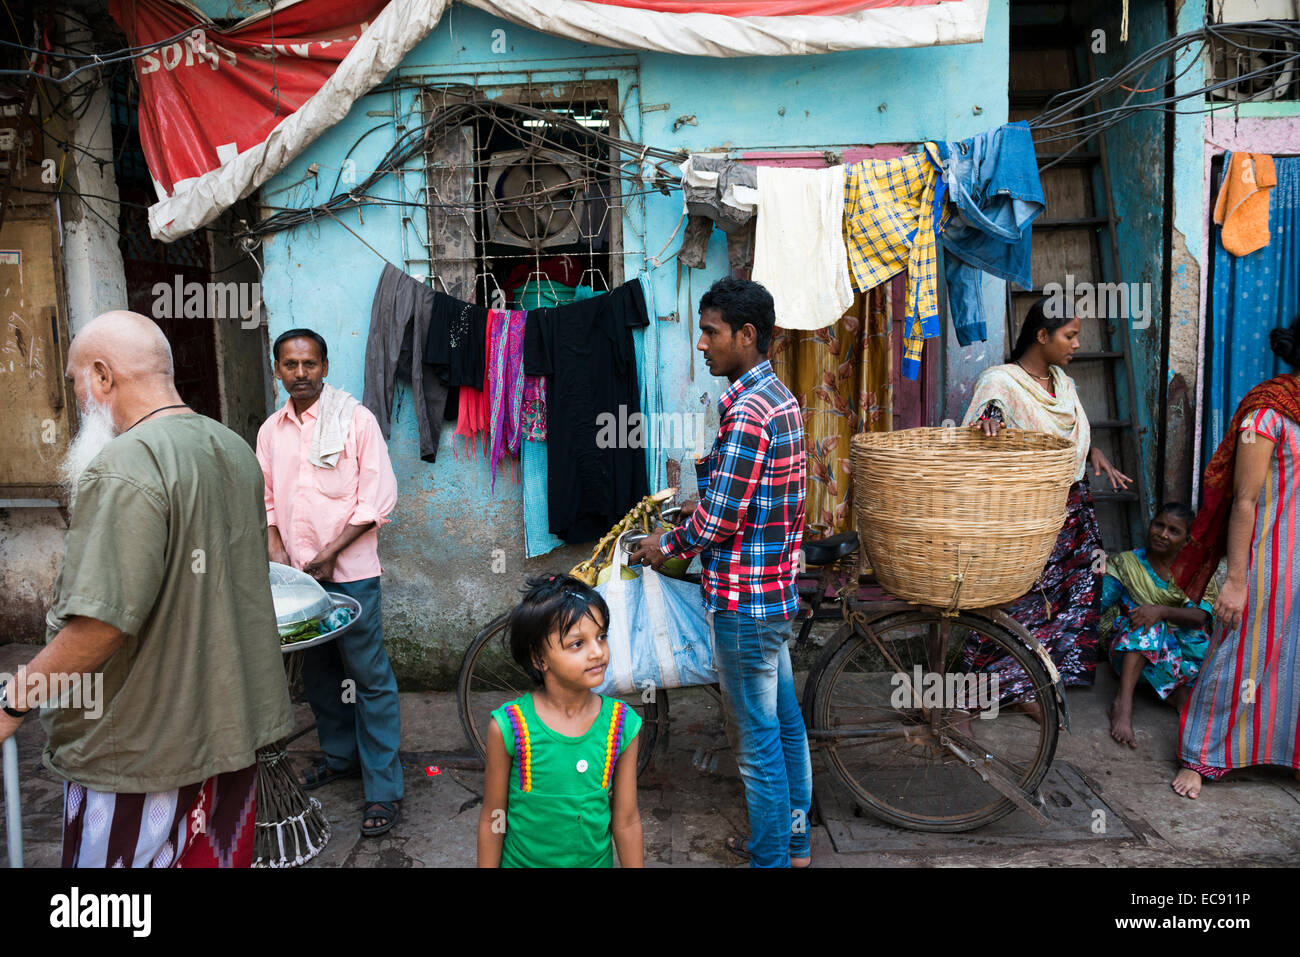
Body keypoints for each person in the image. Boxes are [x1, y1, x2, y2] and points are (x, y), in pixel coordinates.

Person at [0, 311, 292, 867]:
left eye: (76, 381)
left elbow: (100, 625)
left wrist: (15, 701)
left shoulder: (127, 463)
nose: (79, 398)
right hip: (230, 733)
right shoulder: (230, 446)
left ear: (104, 376)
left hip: (141, 753)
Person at [629, 276, 811, 869]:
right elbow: (748, 499)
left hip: (744, 604)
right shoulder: (779, 399)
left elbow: (720, 522)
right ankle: (793, 844)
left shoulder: (748, 411)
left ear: (747, 335)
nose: (702, 345)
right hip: (774, 595)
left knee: (756, 745)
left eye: (710, 332)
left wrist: (666, 543)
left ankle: (770, 860)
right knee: (784, 728)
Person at [255, 328, 402, 836]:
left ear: (324, 366)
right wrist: (276, 548)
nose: (300, 373)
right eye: (290, 365)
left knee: (369, 678)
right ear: (278, 371)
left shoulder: (354, 421)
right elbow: (269, 497)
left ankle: (383, 790)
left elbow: (377, 501)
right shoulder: (271, 431)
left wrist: (330, 554)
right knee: (319, 676)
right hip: (299, 581)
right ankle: (341, 759)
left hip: (351, 575)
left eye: (309, 364)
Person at [962, 297, 1131, 714]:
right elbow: (990, 415)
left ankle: (1027, 683)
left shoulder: (1063, 383)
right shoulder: (1001, 381)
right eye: (1069, 336)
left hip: (1074, 510)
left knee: (1070, 599)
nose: (1076, 345)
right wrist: (991, 422)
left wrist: (1095, 455)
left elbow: (1071, 429)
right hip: (1028, 515)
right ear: (1042, 335)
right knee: (1015, 601)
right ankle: (971, 696)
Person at [1171, 318, 1300, 798]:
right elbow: (1244, 499)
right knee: (1242, 656)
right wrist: (1236, 580)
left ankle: (1288, 754)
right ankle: (1201, 757)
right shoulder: (1266, 414)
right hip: (1270, 561)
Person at [477, 575, 643, 868]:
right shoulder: (508, 727)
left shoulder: (622, 726)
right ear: (540, 659)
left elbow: (627, 821)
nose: (597, 652)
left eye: (601, 636)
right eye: (577, 643)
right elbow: (494, 817)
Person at [1102, 503, 1217, 748]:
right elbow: (1100, 602)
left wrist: (1162, 611)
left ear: (1187, 540)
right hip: (1133, 651)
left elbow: (1200, 616)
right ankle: (1123, 704)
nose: (1163, 534)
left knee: (1193, 693)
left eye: (1173, 531)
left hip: (1181, 659)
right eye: (1159, 525)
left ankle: (1176, 695)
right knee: (1145, 620)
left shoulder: (1197, 571)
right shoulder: (1127, 563)